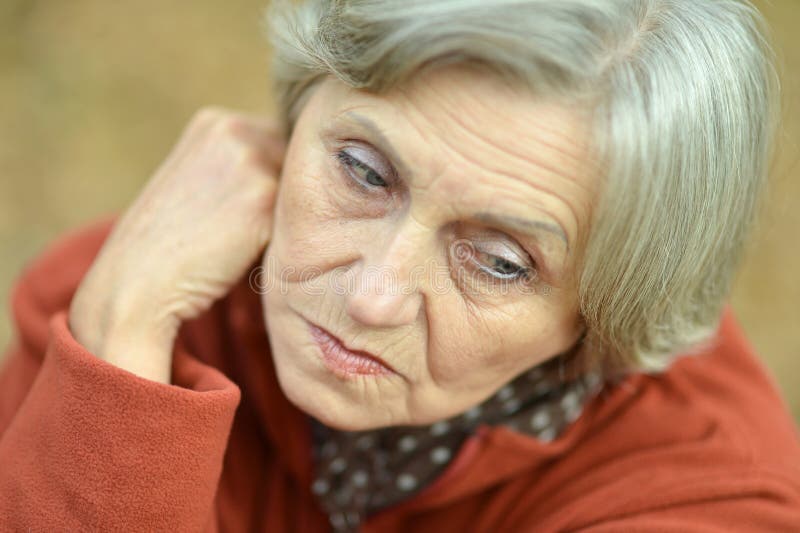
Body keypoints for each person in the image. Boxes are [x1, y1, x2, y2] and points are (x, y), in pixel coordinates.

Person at [1, 0, 799, 531]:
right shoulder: (124, 304)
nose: (372, 294)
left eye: (495, 259)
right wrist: (123, 336)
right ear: (296, 108)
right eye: (363, 171)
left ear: (609, 313)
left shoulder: (703, 498)